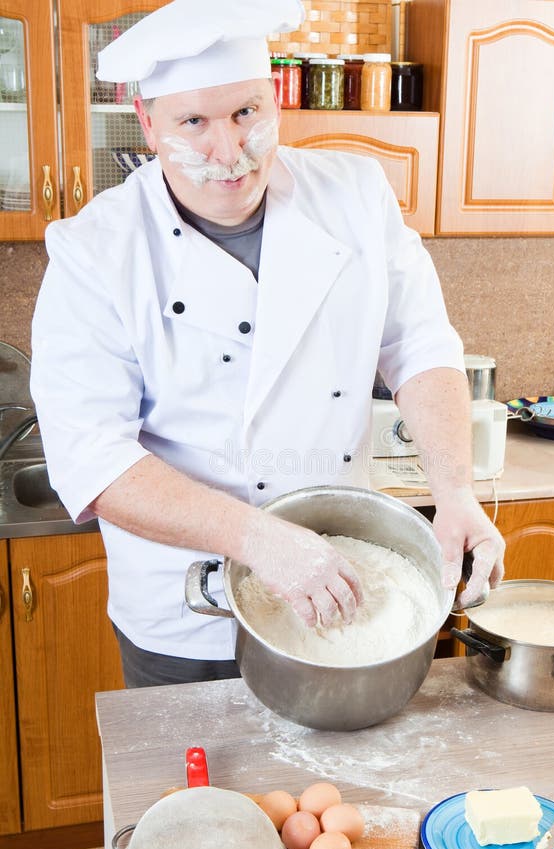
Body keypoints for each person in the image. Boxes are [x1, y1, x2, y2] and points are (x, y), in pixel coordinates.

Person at [30, 0, 504, 689]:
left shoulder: (354, 196)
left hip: (343, 583)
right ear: (148, 124)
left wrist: (455, 491)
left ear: (276, 101)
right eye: (194, 122)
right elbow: (91, 459)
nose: (229, 152)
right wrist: (257, 538)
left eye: (246, 112)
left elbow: (420, 346)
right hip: (188, 607)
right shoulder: (95, 251)